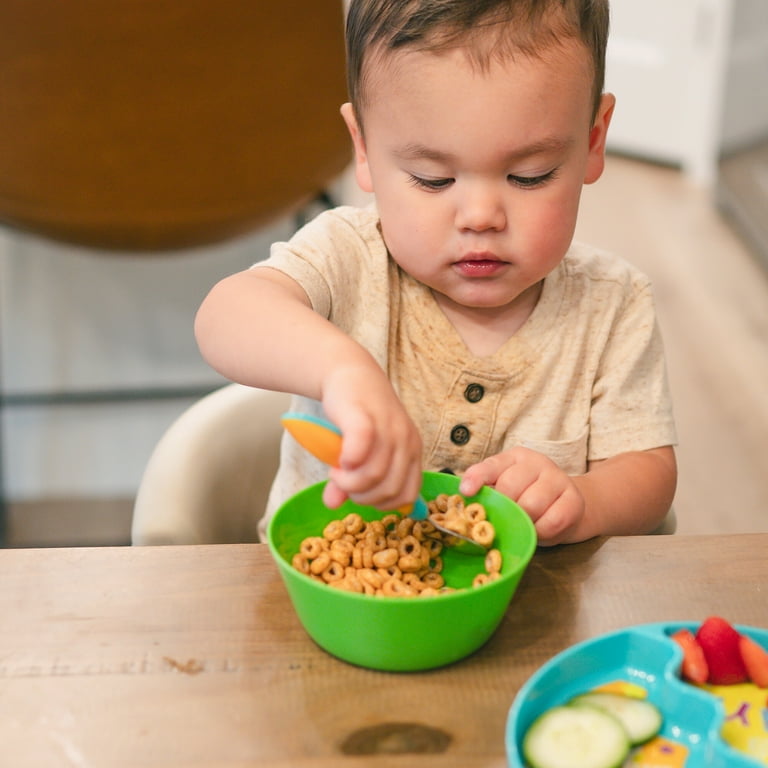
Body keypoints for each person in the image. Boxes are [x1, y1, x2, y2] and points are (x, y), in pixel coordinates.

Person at [195, 0, 677, 546]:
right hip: (322, 592)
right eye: (432, 179)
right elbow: (224, 316)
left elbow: (649, 473)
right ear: (364, 147)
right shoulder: (347, 256)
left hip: (543, 597)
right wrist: (342, 371)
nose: (480, 217)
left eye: (529, 175)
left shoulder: (613, 304)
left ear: (593, 140)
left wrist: (584, 501)